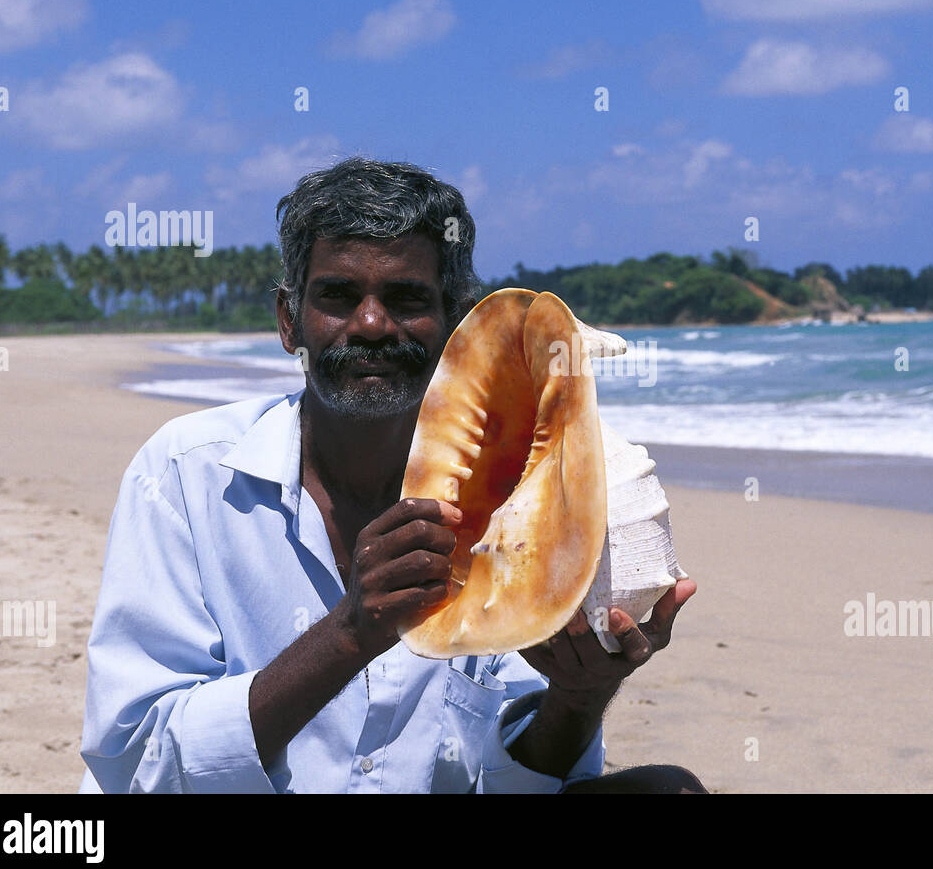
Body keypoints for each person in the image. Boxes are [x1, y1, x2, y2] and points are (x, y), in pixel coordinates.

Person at [79, 157, 703, 793]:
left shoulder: (517, 495)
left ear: (458, 324)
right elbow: (135, 763)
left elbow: (511, 781)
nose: (371, 324)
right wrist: (351, 633)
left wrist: (577, 697)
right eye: (337, 296)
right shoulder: (190, 473)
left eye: (406, 299)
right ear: (289, 319)